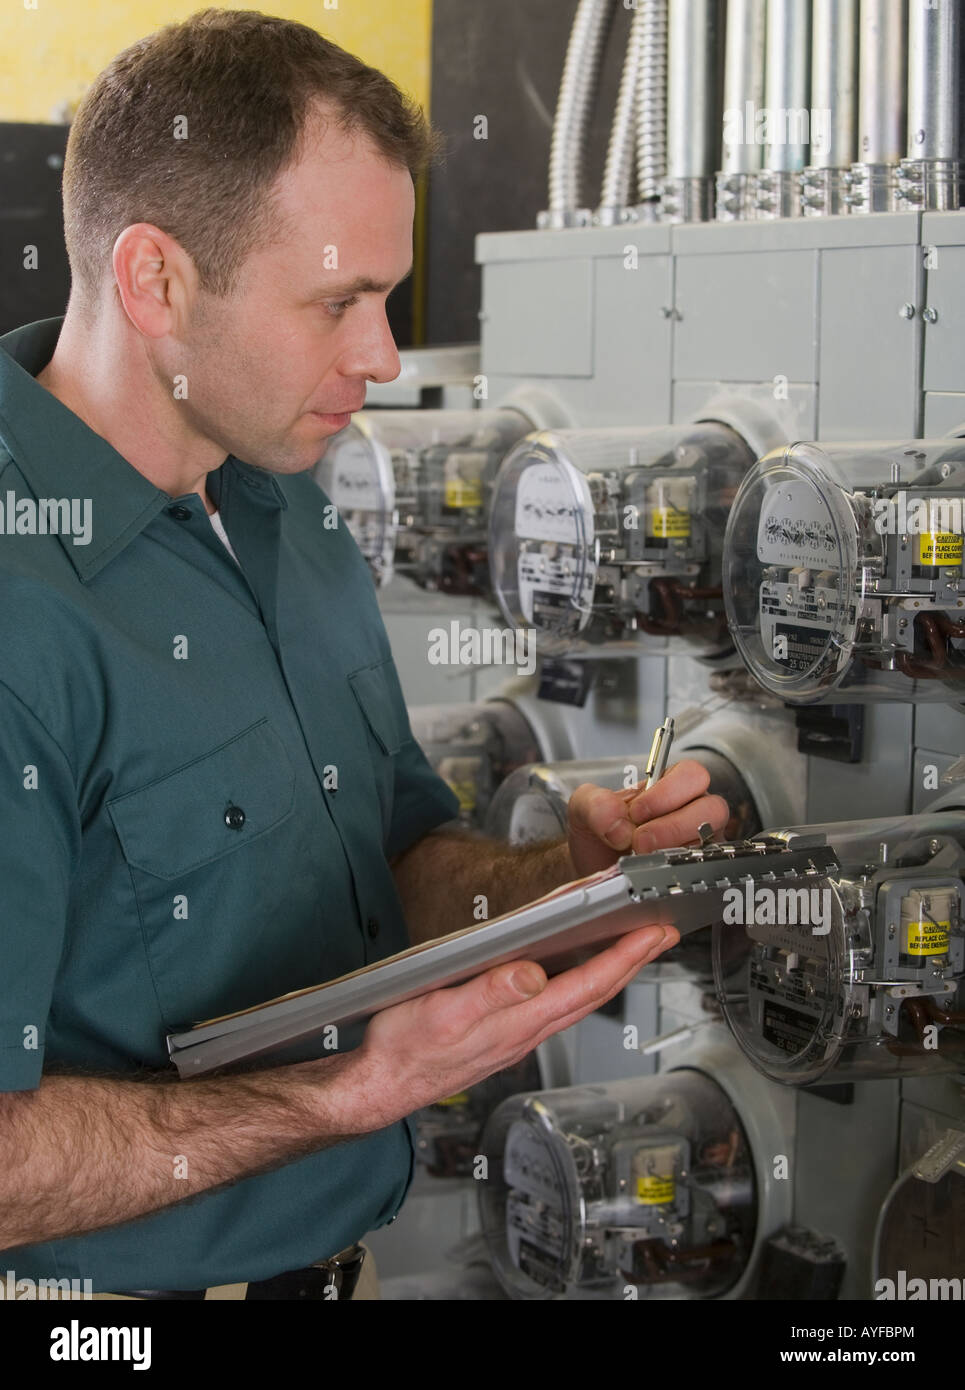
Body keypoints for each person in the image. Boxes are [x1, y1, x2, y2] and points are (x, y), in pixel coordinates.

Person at [0, 9, 728, 1300]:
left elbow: (399, 864)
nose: (383, 357)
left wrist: (563, 869)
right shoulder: (24, 603)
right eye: (340, 301)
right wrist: (350, 1089)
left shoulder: (284, 503)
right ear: (154, 281)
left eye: (386, 298)